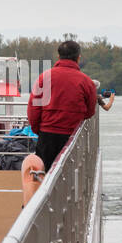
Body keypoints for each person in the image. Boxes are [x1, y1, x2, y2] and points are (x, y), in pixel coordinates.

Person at [27, 40, 98, 172]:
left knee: (45, 174)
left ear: (58, 57)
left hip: (47, 136)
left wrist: (40, 130)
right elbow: (90, 111)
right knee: (70, 175)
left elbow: (33, 110)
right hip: (72, 137)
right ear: (78, 57)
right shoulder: (86, 82)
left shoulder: (44, 78)